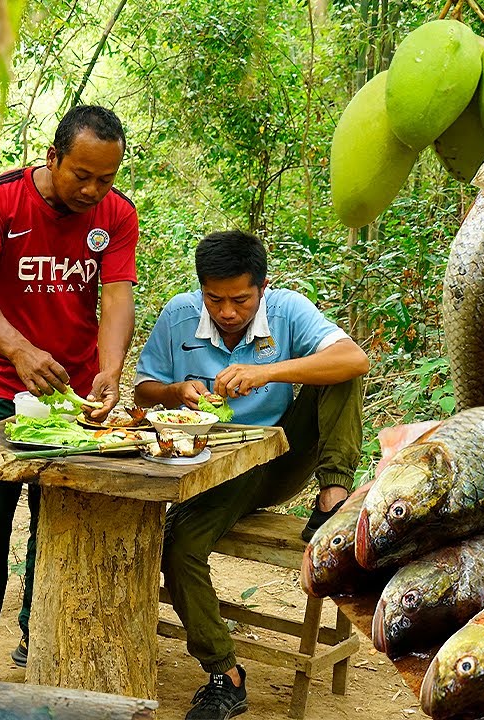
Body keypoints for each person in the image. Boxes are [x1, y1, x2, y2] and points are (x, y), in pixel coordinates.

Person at [134, 230, 368, 719]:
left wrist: (269, 372)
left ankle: (332, 497)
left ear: (262, 286)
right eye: (214, 299)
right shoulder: (178, 315)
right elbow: (143, 393)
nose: (226, 311)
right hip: (208, 466)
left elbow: (354, 358)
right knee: (178, 547)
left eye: (240, 299)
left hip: (278, 456)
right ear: (201, 290)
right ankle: (226, 673)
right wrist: (177, 391)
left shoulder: (287, 310)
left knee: (341, 372)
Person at [0, 105, 138, 679]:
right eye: (83, 174)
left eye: (107, 178)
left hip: (73, 398)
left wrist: (110, 369)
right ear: (52, 158)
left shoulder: (117, 215)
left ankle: (39, 635)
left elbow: (117, 295)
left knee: (58, 521)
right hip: (2, 390)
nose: (94, 189)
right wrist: (19, 350)